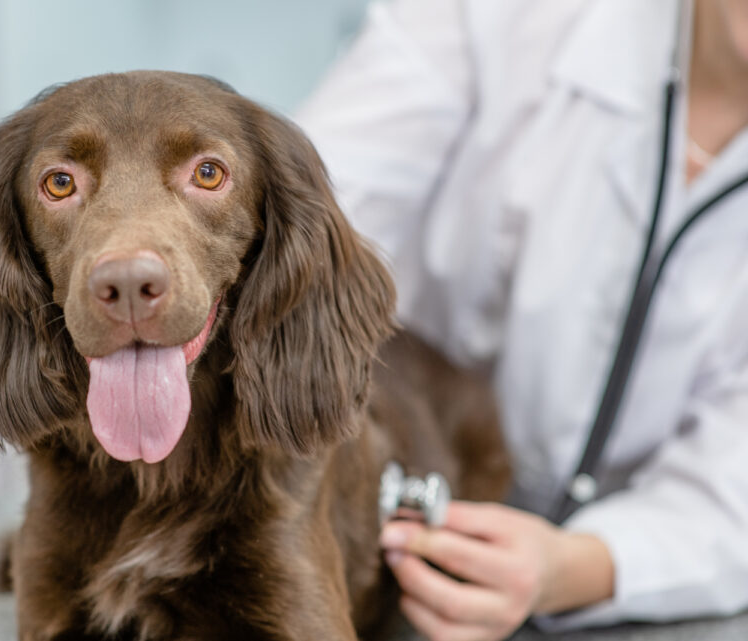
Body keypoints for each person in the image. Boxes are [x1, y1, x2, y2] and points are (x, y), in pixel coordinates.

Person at [296, 1, 748, 639]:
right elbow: (300, 237)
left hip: (625, 551)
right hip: (395, 457)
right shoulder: (496, 17)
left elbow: (732, 502)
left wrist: (573, 566)